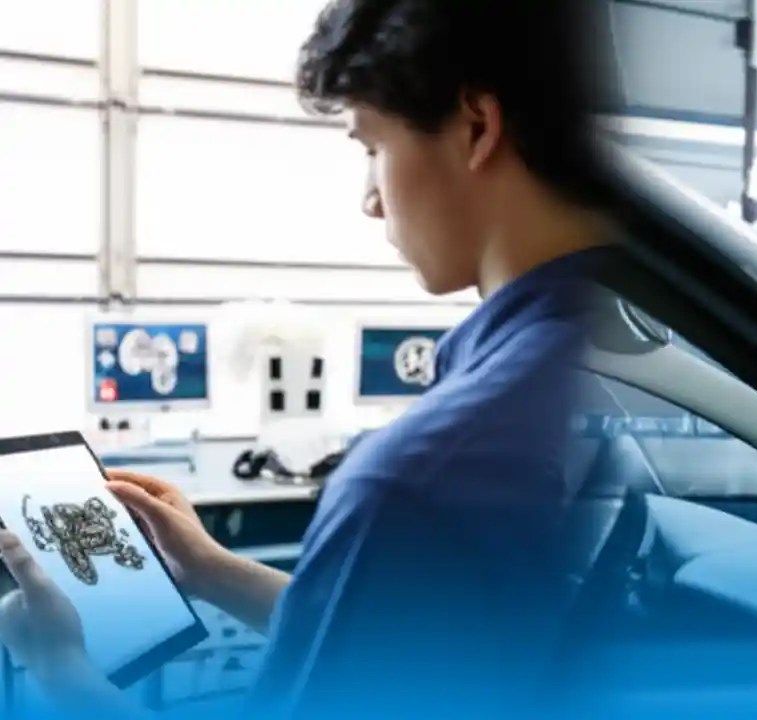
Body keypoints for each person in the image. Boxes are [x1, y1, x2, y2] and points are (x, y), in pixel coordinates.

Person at [0, 0, 617, 718]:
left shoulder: (418, 479)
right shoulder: (596, 368)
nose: (370, 200)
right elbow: (399, 648)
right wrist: (208, 569)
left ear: (477, 127)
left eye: (370, 147)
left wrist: (59, 672)